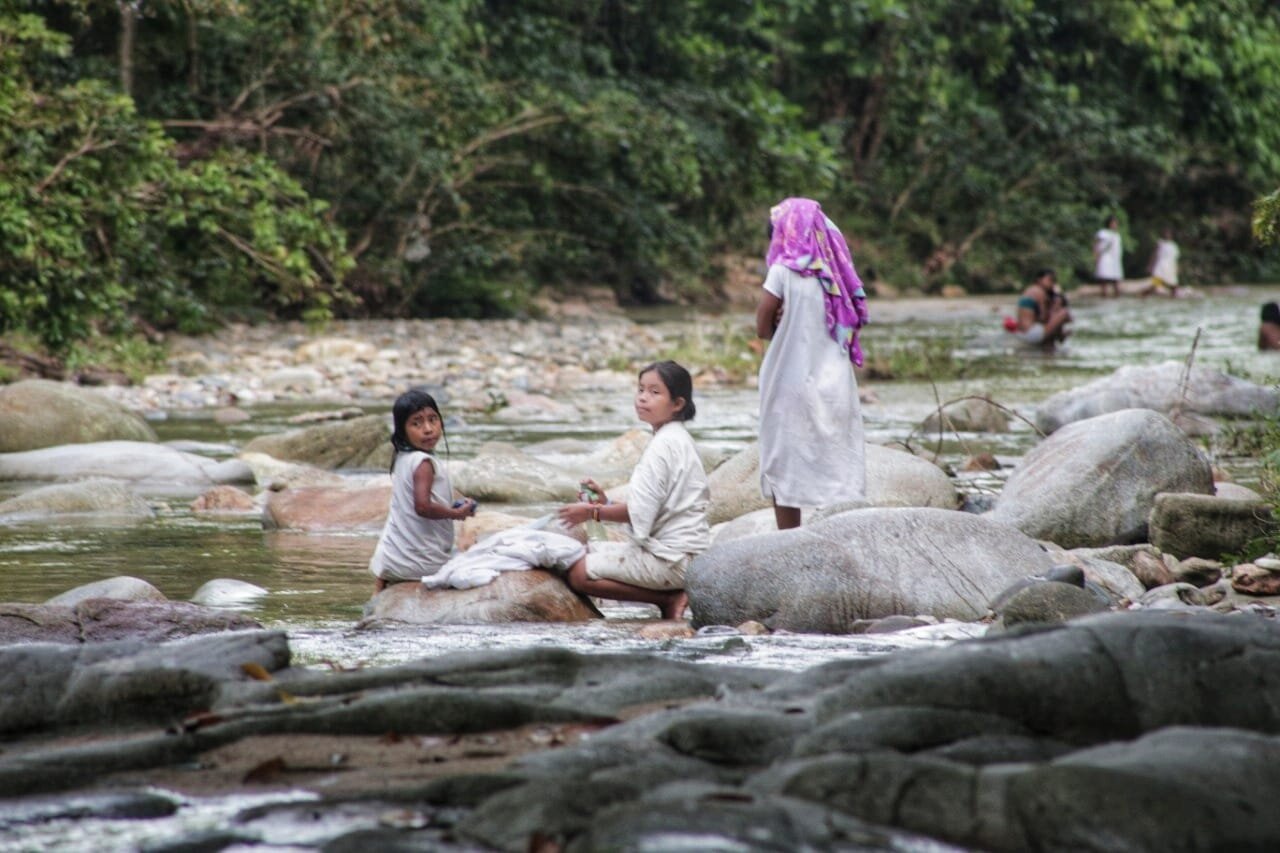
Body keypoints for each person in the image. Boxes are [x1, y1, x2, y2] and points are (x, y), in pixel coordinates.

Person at [557, 360, 709, 620]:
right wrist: (606, 502)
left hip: (673, 561)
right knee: (585, 551)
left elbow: (639, 512)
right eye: (640, 390)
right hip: (688, 557)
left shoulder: (663, 446)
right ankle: (669, 596)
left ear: (678, 404)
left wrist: (592, 513)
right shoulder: (676, 437)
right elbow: (656, 505)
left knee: (577, 572)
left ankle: (667, 599)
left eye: (654, 392)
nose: (642, 398)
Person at [755, 197, 868, 530]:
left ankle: (789, 539)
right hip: (835, 385)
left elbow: (762, 328)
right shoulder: (838, 275)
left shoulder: (782, 271)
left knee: (784, 460)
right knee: (837, 460)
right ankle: (843, 534)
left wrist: (778, 318)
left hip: (789, 380)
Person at [369, 387, 477, 593]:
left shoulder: (403, 458)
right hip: (420, 564)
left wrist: (455, 504)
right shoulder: (423, 463)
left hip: (391, 558)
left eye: (433, 419)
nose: (428, 429)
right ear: (402, 430)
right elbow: (423, 507)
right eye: (416, 423)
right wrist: (456, 513)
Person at [1007, 268, 1072, 349]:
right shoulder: (1040, 293)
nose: (1052, 284)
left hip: (1021, 332)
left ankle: (1055, 342)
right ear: (1039, 280)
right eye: (1050, 280)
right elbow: (1043, 318)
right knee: (1064, 313)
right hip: (1031, 334)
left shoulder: (1029, 290)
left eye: (1054, 281)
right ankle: (1060, 337)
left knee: (1050, 330)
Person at [1142, 228, 1180, 297]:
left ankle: (1173, 297)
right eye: (1166, 234)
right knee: (1156, 284)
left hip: (1170, 267)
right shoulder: (1160, 243)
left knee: (1174, 285)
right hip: (1160, 266)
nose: (1167, 235)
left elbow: (1175, 259)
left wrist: (1177, 268)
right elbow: (1154, 255)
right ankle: (1144, 295)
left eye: (1168, 234)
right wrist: (1150, 265)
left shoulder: (1174, 246)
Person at [1093, 214, 1124, 298]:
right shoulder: (1102, 233)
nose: (1115, 225)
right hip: (1105, 258)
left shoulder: (1117, 235)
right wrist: (1096, 257)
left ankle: (1117, 298)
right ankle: (1104, 297)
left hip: (1115, 260)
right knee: (1104, 281)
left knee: (1116, 281)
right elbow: (1096, 245)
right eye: (1114, 223)